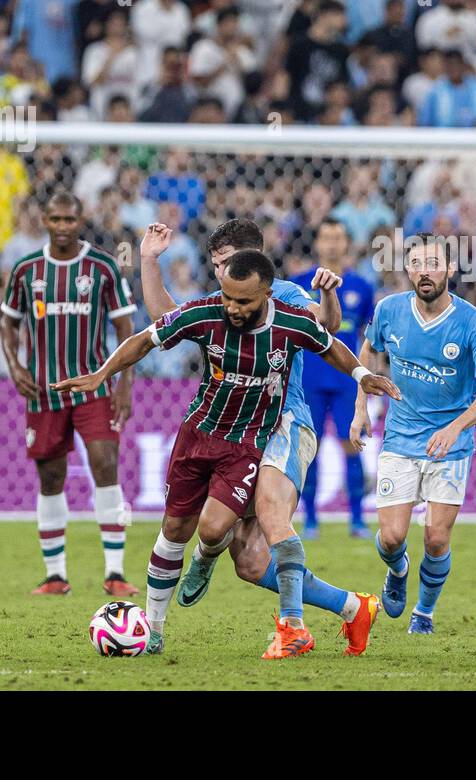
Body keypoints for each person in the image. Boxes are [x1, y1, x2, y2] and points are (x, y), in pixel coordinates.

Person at [55, 246, 398, 658]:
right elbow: (145, 339)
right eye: (228, 297)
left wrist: (363, 375)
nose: (233, 308)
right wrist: (101, 374)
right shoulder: (205, 312)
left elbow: (330, 343)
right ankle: (155, 629)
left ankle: (273, 612)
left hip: (247, 445)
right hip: (197, 437)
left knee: (215, 529)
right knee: (177, 531)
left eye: (243, 301)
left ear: (268, 294)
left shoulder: (289, 323)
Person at [139, 218, 390, 658]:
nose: (219, 273)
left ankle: (292, 629)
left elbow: (326, 328)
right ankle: (353, 607)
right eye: (214, 265)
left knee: (273, 512)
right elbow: (165, 325)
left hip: (284, 424)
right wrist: (147, 261)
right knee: (252, 562)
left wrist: (329, 294)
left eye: (225, 263)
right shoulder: (224, 300)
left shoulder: (283, 294)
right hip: (234, 430)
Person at [352, 234, 476, 634]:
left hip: (449, 447)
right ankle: (398, 571)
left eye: (433, 263)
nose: (425, 271)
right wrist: (360, 407)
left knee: (436, 539)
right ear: (408, 270)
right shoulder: (389, 311)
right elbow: (366, 354)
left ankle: (424, 612)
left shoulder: (472, 321)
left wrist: (455, 428)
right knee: (391, 538)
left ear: (450, 269)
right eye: (416, 264)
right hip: (400, 438)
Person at [0, 190, 139, 597]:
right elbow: (6, 323)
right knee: (51, 476)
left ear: (81, 221)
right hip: (43, 390)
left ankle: (114, 572)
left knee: (105, 463)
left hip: (93, 387)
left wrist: (124, 384)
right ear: (44, 219)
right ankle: (55, 575)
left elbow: (127, 330)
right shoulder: (27, 270)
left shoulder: (103, 267)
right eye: (55, 220)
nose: (62, 227)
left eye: (69, 220)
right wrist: (14, 365)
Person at [293, 217, 377, 537]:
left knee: (352, 445)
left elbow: (367, 337)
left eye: (337, 237)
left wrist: (371, 373)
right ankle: (310, 518)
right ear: (317, 243)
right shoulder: (299, 284)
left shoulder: (361, 287)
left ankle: (357, 519)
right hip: (308, 379)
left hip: (345, 380)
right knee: (309, 449)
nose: (331, 243)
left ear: (346, 244)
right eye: (326, 237)